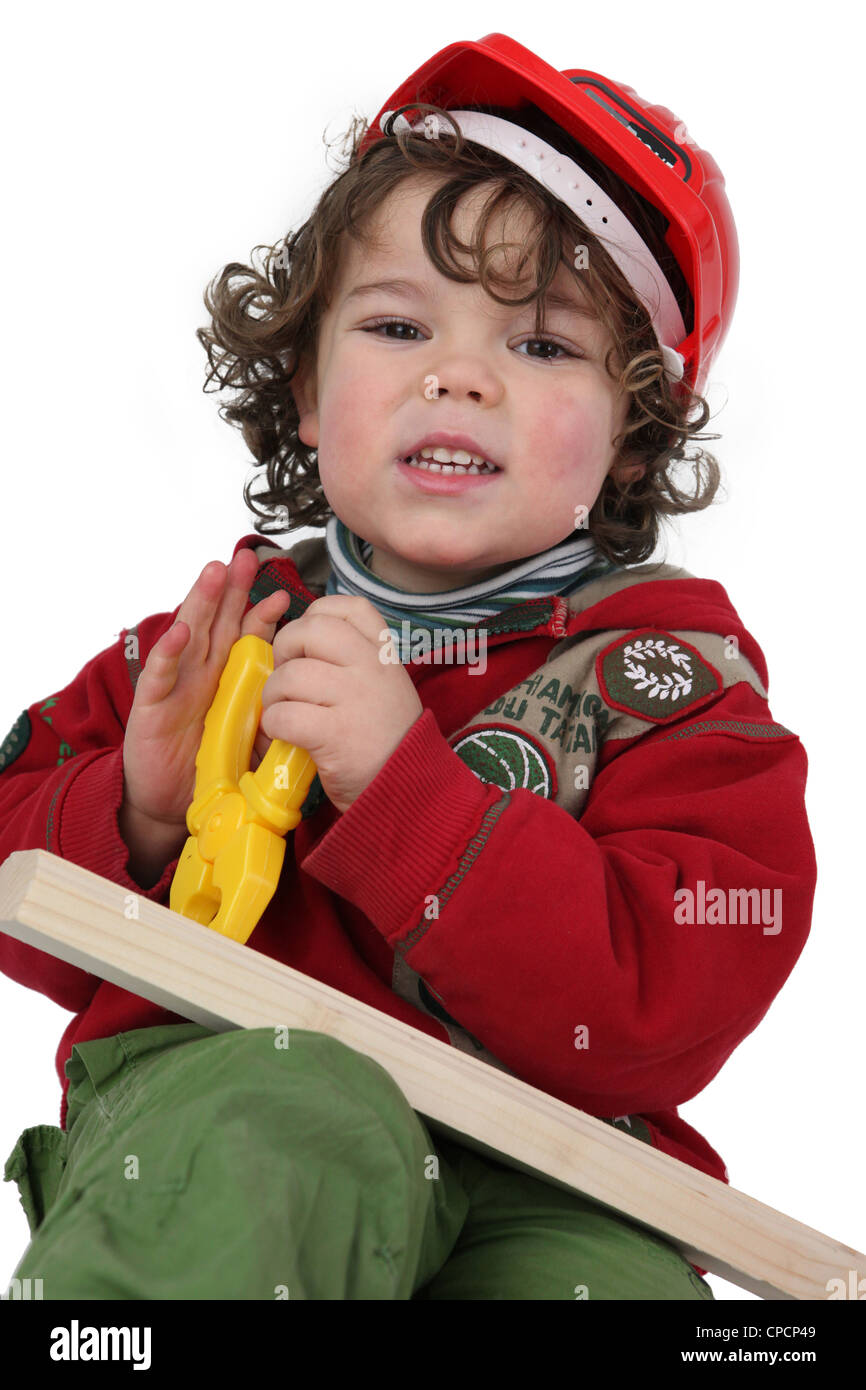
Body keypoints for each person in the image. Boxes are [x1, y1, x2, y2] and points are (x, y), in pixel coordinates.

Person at [0, 33, 815, 1300]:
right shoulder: (219, 645)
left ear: (629, 444)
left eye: (541, 346)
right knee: (286, 1125)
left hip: (557, 1167)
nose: (458, 372)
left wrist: (410, 803)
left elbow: (679, 990)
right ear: (308, 392)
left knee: (610, 1288)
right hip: (234, 1102)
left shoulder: (680, 696)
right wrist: (137, 812)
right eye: (395, 324)